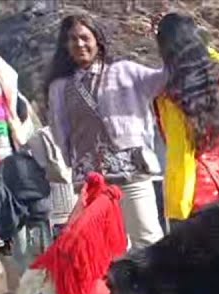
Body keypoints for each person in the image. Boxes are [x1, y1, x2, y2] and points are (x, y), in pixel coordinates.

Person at [45, 12, 166, 249]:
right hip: (92, 181)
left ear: (97, 40)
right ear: (65, 46)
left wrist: (164, 39)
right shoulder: (59, 87)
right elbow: (60, 131)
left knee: (147, 240)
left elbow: (165, 78)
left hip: (131, 172)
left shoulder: (125, 72)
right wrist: (72, 163)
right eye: (72, 39)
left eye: (84, 37)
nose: (79, 44)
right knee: (109, 248)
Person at [152, 12, 219, 224]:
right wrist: (193, 37)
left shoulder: (172, 97)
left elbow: (181, 155)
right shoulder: (215, 76)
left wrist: (177, 207)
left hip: (194, 191)